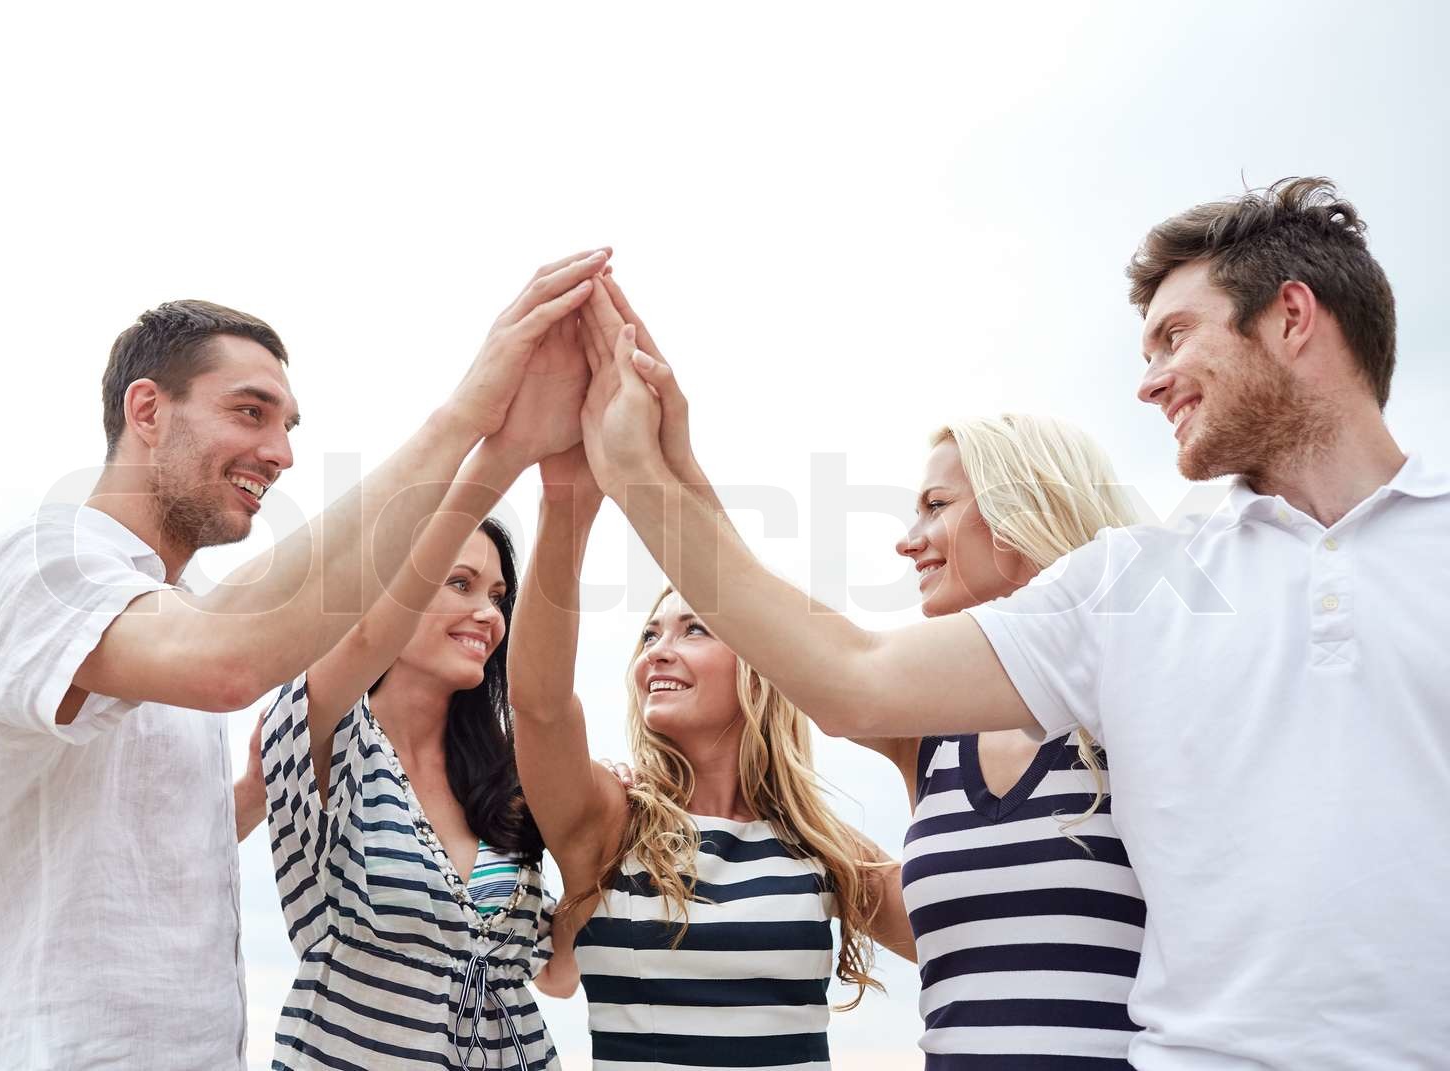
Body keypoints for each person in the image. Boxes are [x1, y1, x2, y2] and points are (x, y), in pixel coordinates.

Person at [580, 178, 1449, 1067]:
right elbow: (850, 673)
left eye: (1175, 335)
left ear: (1292, 317)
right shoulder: (1138, 584)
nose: (1148, 383)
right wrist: (646, 475)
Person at [0, 249, 608, 1070]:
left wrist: (508, 451)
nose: (279, 452)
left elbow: (170, 814)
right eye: (251, 412)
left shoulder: (175, 609)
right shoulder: (42, 564)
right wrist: (467, 419)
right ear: (146, 409)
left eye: (288, 427)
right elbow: (237, 660)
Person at [505, 280, 916, 1071]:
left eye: (695, 628)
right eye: (650, 633)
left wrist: (678, 464)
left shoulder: (823, 848)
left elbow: (960, 936)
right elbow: (541, 706)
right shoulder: (612, 823)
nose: (658, 649)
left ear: (757, 663)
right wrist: (569, 496)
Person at [256, 335, 593, 1068]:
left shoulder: (503, 775)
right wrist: (503, 450)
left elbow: (556, 975)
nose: (489, 614)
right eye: (459, 583)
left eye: (498, 595)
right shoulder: (329, 736)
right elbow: (366, 635)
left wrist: (602, 849)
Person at [879, 413, 1146, 1066]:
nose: (906, 543)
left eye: (935, 507)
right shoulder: (931, 737)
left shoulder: (1139, 704)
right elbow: (783, 677)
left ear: (1023, 510)